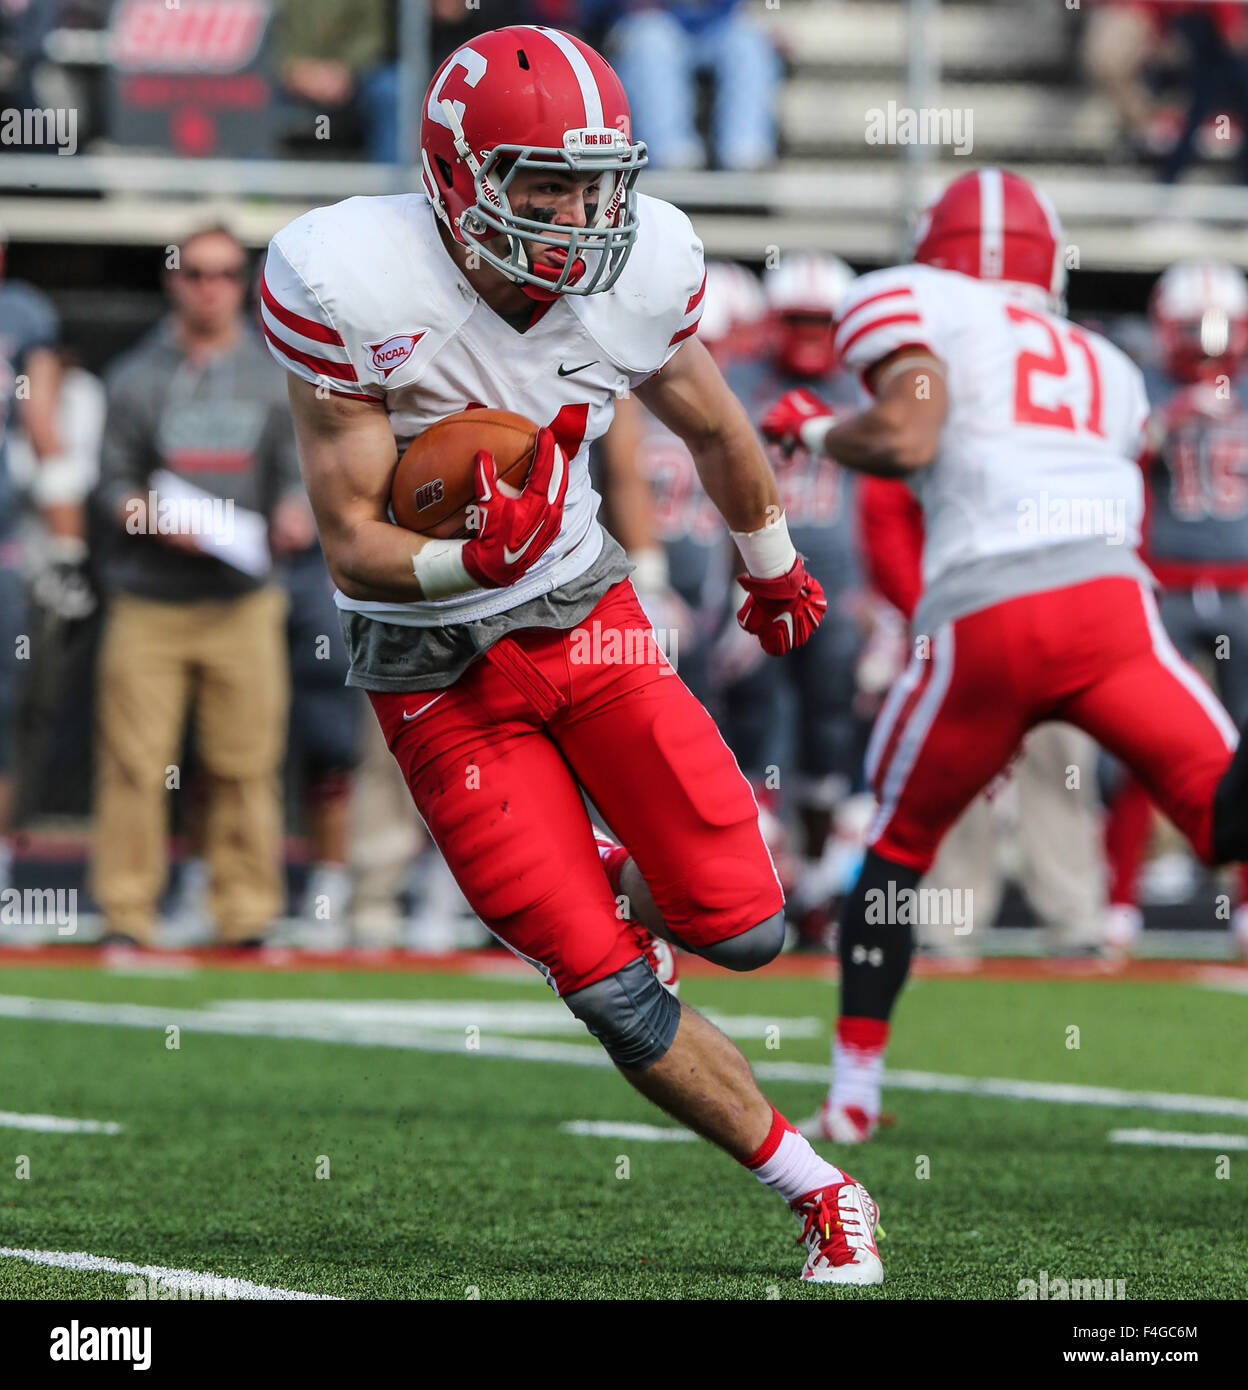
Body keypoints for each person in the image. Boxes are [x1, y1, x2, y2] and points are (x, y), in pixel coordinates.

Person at [261, 24, 880, 1283]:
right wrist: (464, 564)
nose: (582, 210)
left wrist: (772, 569)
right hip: (433, 664)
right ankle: (821, 1188)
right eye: (545, 180)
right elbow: (350, 543)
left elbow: (711, 424)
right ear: (453, 171)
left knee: (752, 928)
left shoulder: (642, 265)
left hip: (585, 612)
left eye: (599, 180)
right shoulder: (346, 275)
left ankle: (591, 866)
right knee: (604, 985)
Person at [762, 167, 1248, 1144]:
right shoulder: (1103, 359)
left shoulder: (915, 303)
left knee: (894, 849)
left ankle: (853, 1094)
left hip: (987, 612)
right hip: (1112, 605)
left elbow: (905, 432)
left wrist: (812, 427)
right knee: (1227, 818)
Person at [91, 224, 315, 949]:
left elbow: (306, 474)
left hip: (244, 600)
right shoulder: (134, 375)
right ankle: (127, 913)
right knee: (134, 764)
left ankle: (245, 914)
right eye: (195, 273)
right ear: (172, 280)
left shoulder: (275, 371)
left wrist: (293, 513)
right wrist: (149, 516)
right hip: (149, 599)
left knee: (246, 762)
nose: (208, 286)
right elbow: (110, 485)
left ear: (242, 281)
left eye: (223, 273)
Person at [720, 253, 868, 944]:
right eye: (798, 320)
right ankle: (758, 887)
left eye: (822, 321)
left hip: (839, 589)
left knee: (830, 738)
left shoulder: (864, 390)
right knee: (753, 733)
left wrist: (884, 597)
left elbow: (889, 500)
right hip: (755, 580)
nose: (811, 333)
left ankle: (820, 887)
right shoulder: (739, 383)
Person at [1104, 259, 1248, 956]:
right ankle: (1119, 901)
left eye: (1222, 331)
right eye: (1196, 331)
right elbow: (1111, 455)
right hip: (1167, 584)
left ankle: (1244, 907)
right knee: (1142, 743)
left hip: (1242, 585)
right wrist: (1166, 421)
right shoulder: (1144, 386)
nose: (1210, 345)